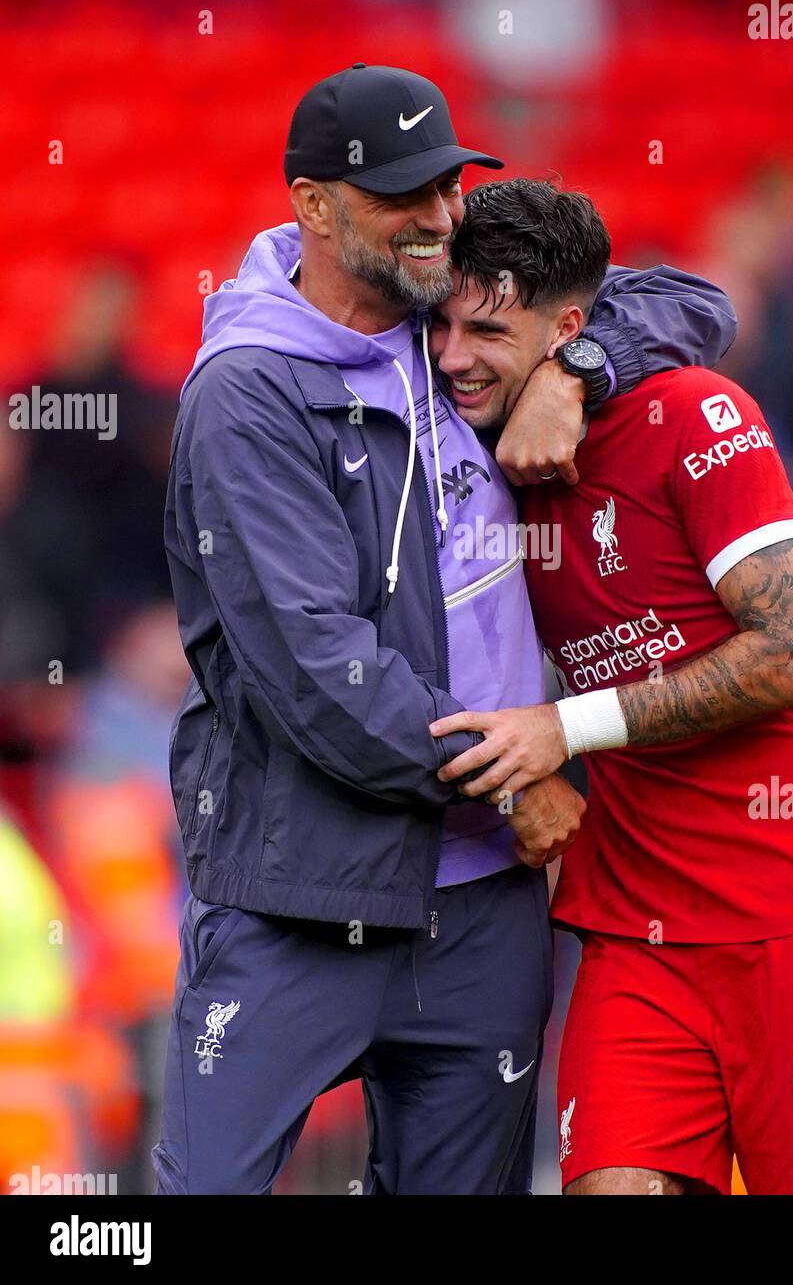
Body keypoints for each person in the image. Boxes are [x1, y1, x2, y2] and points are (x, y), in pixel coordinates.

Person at [154, 66, 736, 1195]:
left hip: (485, 912)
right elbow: (319, 672)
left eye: (447, 186)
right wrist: (516, 781)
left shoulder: (456, 314)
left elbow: (694, 302)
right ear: (313, 206)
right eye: (399, 196)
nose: (434, 218)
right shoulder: (248, 392)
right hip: (303, 899)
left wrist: (579, 365)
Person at [430, 178, 793, 1196]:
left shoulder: (696, 413)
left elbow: (791, 654)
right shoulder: (465, 461)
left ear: (569, 327)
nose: (452, 358)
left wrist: (564, 729)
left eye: (487, 330)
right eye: (441, 327)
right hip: (634, 928)